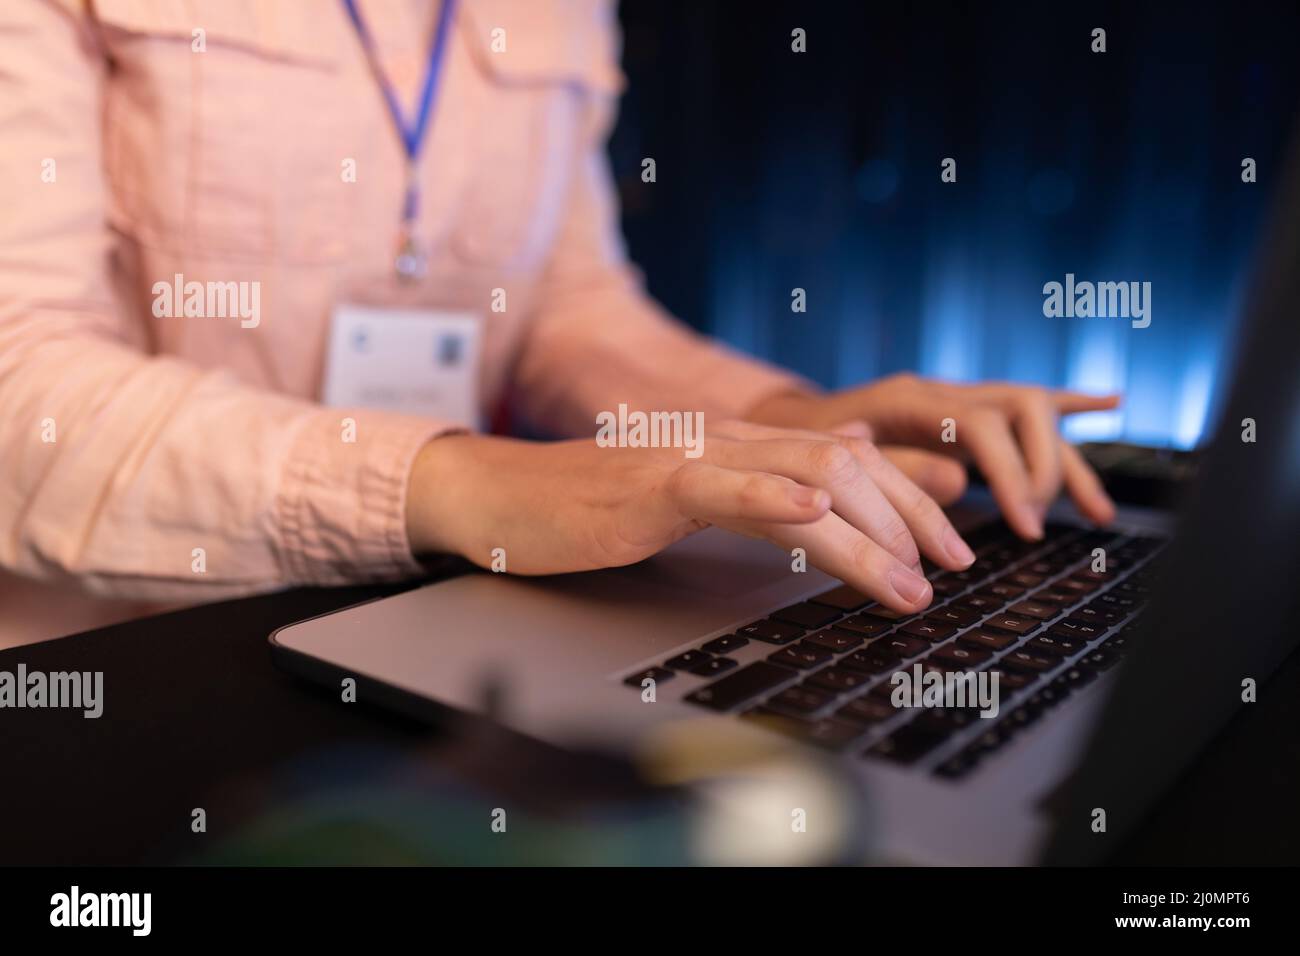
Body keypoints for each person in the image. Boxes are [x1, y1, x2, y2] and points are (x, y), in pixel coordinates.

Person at [0, 0, 1117, 648]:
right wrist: (478, 485)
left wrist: (781, 422)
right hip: (124, 645)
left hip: (437, 622)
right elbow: (19, 374)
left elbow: (560, 307)